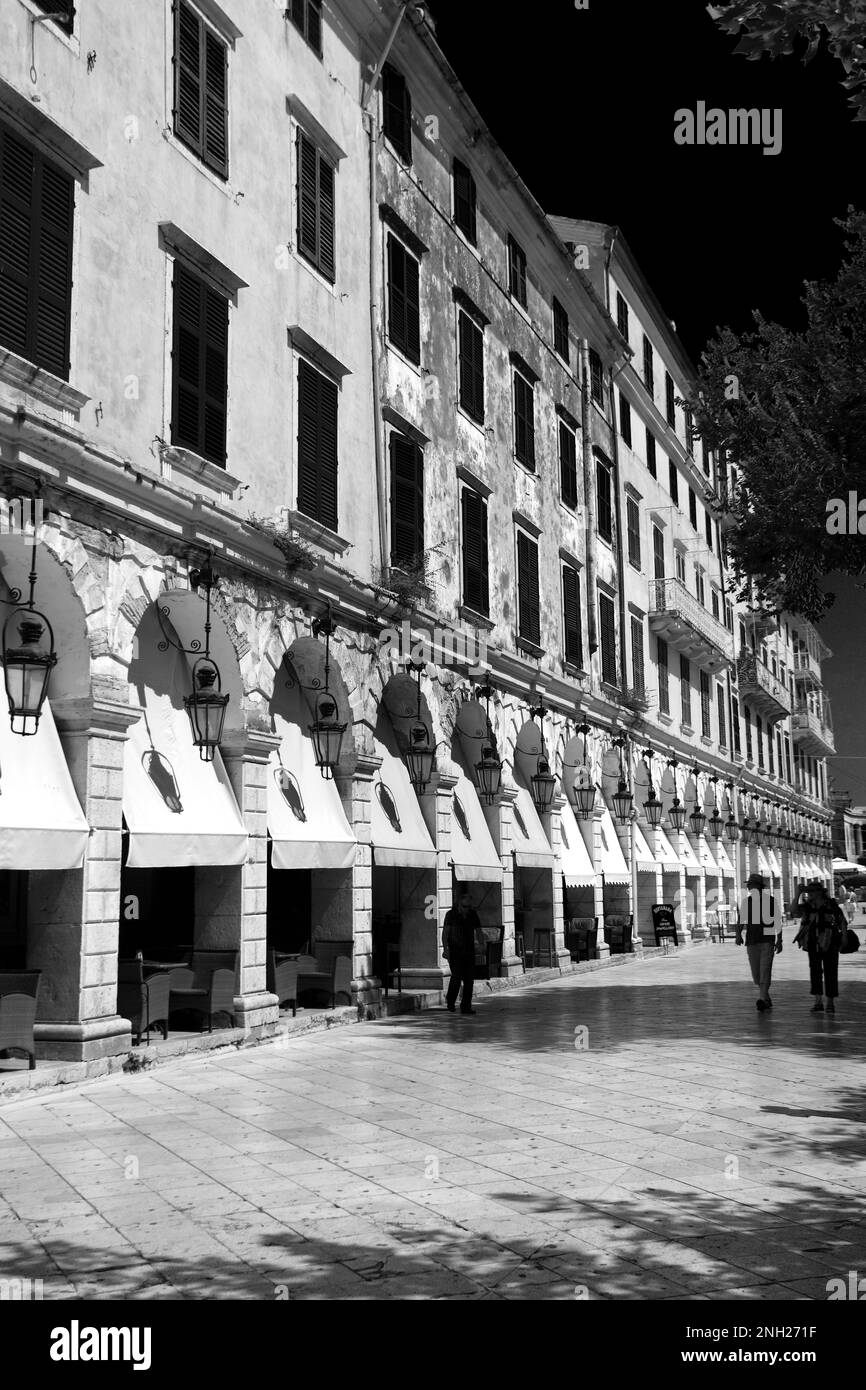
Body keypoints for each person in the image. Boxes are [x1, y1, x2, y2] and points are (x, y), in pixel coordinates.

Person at [794, 882, 846, 1014]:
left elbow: (842, 920)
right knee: (815, 972)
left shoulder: (831, 904)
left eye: (812, 891)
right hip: (813, 943)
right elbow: (794, 912)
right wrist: (797, 894)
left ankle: (830, 1002)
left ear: (819, 892)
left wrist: (844, 937)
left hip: (830, 942)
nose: (810, 894)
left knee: (831, 972)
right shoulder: (808, 906)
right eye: (808, 892)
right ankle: (818, 1002)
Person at [735, 872, 783, 1012]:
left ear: (759, 887)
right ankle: (766, 997)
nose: (750, 888)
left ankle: (761, 999)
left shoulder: (771, 901)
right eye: (749, 885)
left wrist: (779, 940)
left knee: (765, 970)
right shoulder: (746, 902)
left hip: (767, 940)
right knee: (756, 974)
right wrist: (738, 935)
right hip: (752, 940)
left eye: (752, 885)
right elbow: (740, 921)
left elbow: (777, 922)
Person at [442, 890, 481, 1016]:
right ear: (459, 904)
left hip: (469, 951)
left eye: (469, 907)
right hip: (455, 951)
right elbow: (445, 933)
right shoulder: (451, 915)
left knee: (469, 980)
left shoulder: (473, 914)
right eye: (464, 907)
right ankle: (451, 1002)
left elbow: (479, 930)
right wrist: (445, 949)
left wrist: (481, 944)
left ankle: (466, 1006)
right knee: (456, 977)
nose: (466, 909)